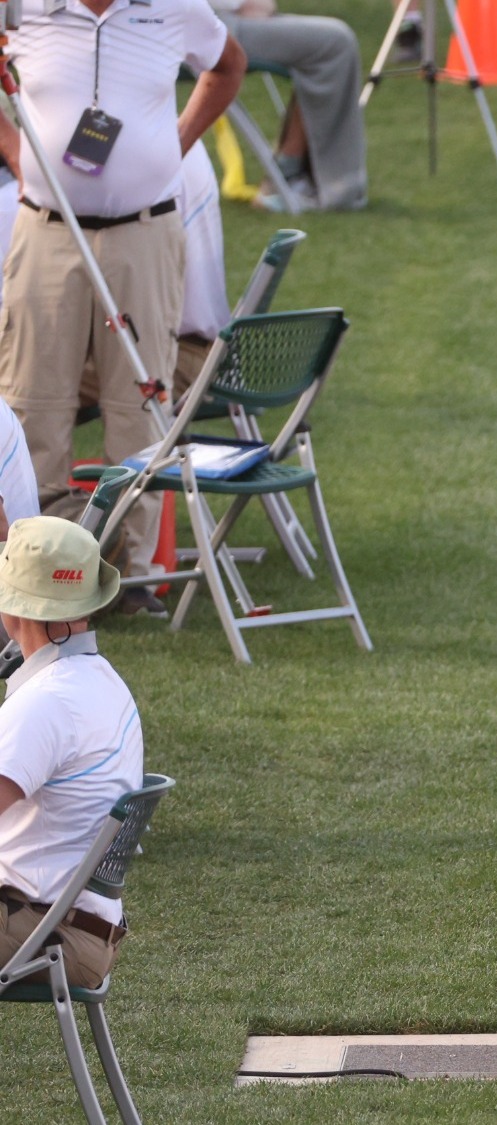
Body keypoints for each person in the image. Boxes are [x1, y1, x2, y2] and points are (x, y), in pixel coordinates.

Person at [0, 0, 245, 617]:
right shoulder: (22, 7)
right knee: (33, 404)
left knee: (139, 406)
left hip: (144, 231)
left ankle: (133, 579)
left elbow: (227, 65)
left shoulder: (175, 6)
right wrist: (13, 148)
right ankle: (34, 581)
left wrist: (176, 143)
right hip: (46, 229)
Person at [0, 517, 143, 989]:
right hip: (75, 927)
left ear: (14, 607)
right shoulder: (101, 680)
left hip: (46, 931)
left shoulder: (46, 702)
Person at [209, 0, 369, 211]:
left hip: (207, 21)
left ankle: (288, 172)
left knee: (332, 39)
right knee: (335, 43)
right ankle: (293, 178)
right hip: (204, 27)